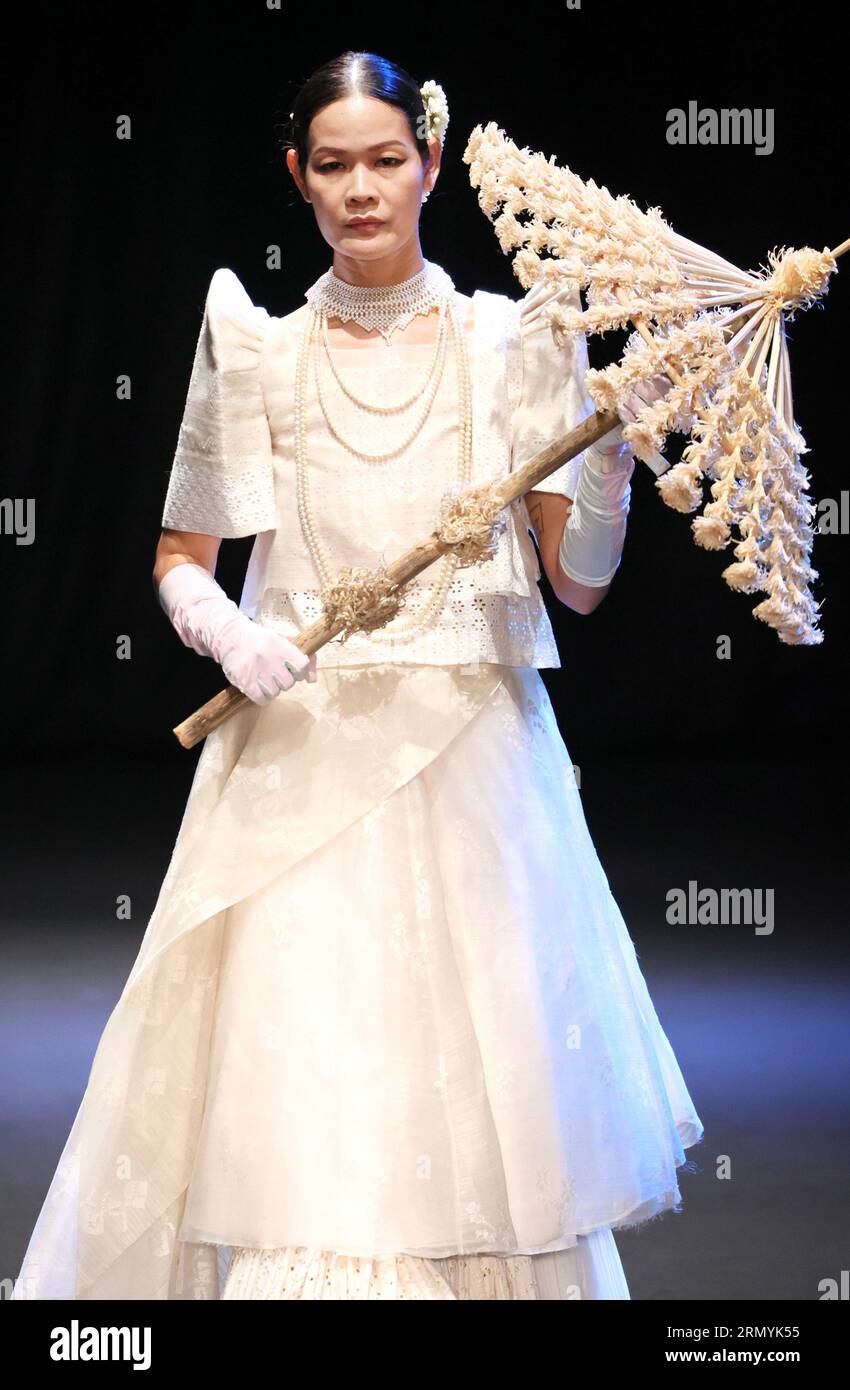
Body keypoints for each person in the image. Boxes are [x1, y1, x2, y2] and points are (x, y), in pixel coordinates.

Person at [12, 51, 702, 1302]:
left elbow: (579, 584)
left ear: (429, 165)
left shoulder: (514, 342)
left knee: (483, 1075)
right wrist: (232, 634)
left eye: (387, 160)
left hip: (473, 753)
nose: (363, 189)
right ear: (300, 178)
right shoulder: (259, 351)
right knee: (314, 1082)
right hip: (302, 751)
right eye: (333, 166)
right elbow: (181, 557)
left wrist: (609, 462)